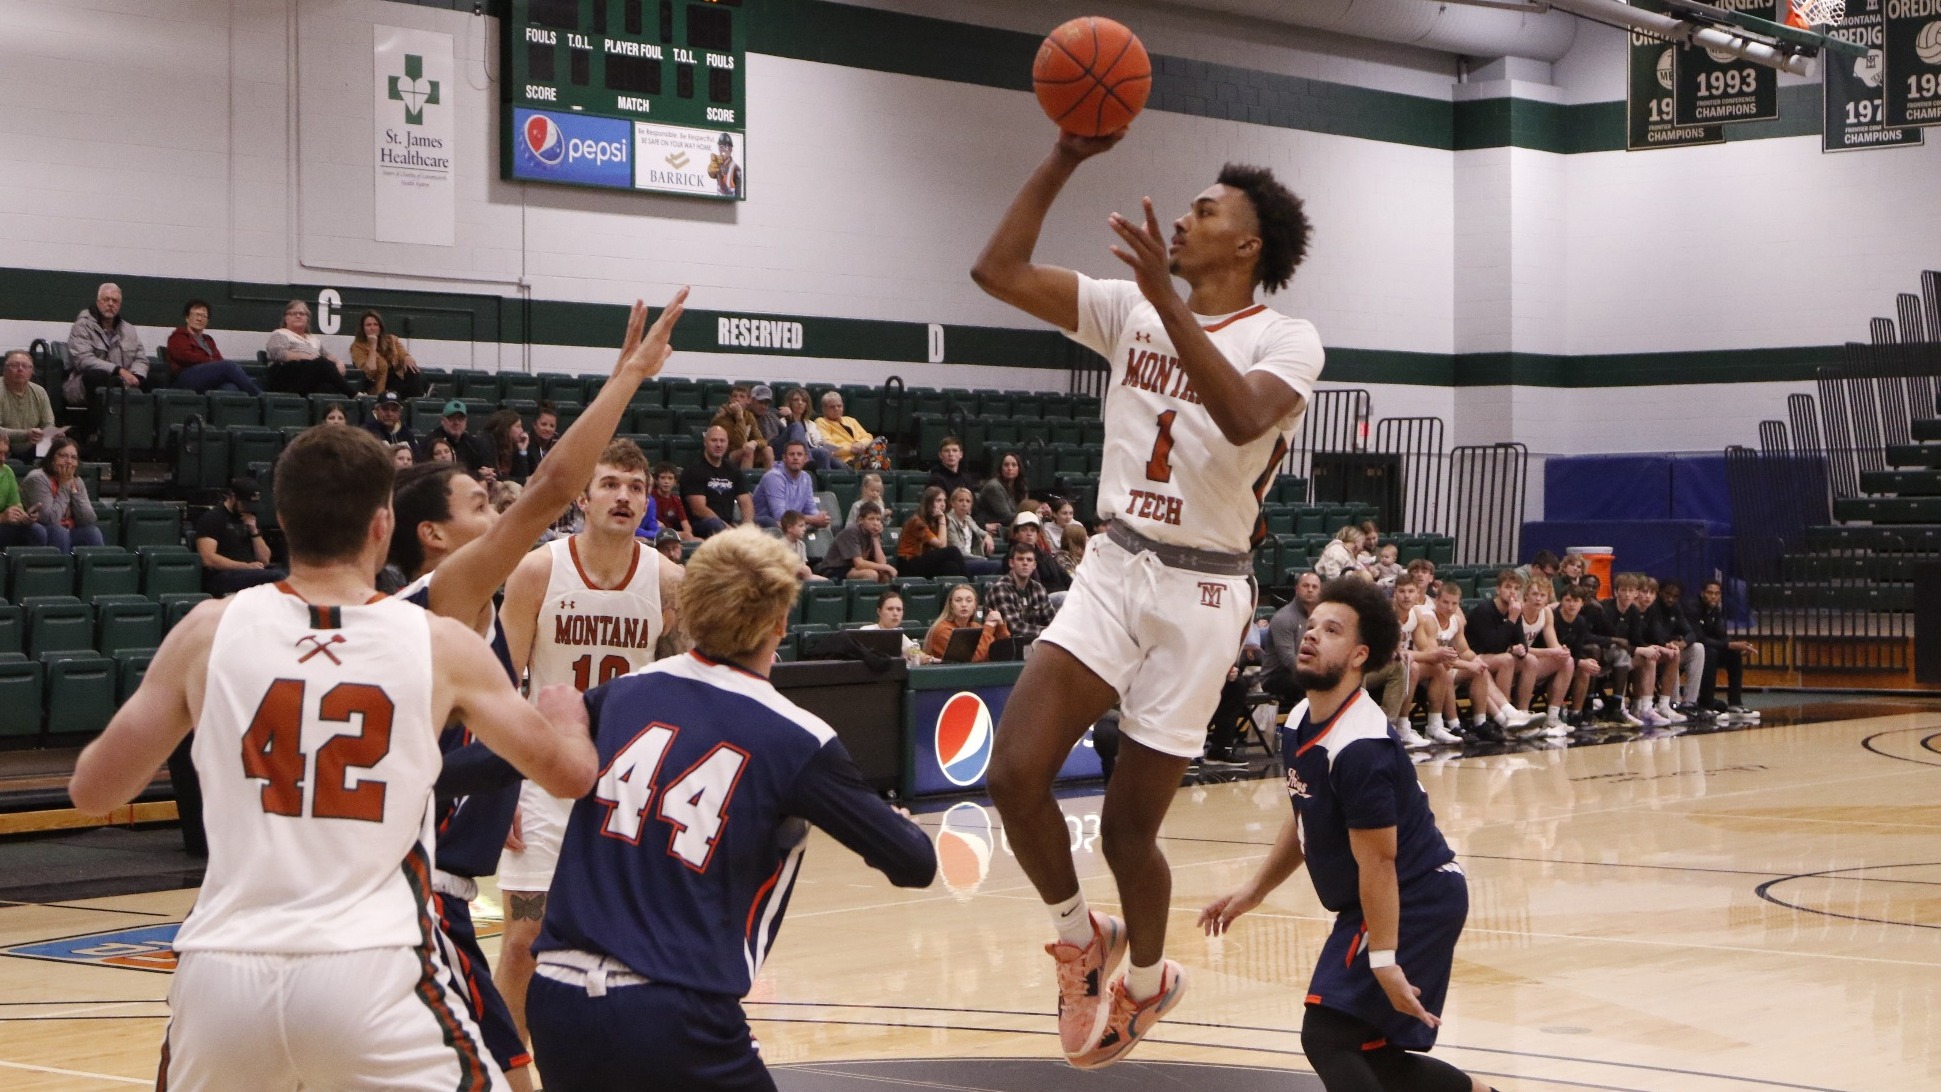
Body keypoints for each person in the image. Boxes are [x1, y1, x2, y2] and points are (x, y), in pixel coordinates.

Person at [69, 426, 598, 1092]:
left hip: (226, 970)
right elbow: (569, 775)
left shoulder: (209, 628)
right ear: (383, 524)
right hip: (372, 964)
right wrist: (567, 720)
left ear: (281, 520)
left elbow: (93, 790)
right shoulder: (435, 641)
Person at [388, 288, 688, 1092]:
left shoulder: (663, 578)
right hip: (455, 851)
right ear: (433, 537)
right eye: (482, 504)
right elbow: (552, 484)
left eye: (635, 485)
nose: (501, 514)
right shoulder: (490, 587)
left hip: (600, 777)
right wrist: (627, 375)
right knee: (515, 971)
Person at [523, 527, 932, 1091]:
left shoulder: (622, 693)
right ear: (781, 622)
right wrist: (901, 829)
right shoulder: (798, 737)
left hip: (557, 999)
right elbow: (915, 864)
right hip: (675, 1012)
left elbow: (495, 762)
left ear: (688, 609)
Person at [1199, 578, 1494, 1092]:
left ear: (1359, 655)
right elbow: (1305, 818)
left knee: (1328, 1036)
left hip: (1415, 894)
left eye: (1331, 630)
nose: (1311, 636)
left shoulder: (1359, 746)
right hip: (1381, 897)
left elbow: (1380, 863)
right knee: (1365, 1052)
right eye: (1311, 626)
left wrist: (1384, 960)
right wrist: (1254, 891)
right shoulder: (1299, 724)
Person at [495, 438, 685, 1049]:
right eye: (609, 484)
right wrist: (497, 792)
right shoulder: (539, 570)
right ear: (582, 497)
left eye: (634, 486)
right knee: (524, 943)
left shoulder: (670, 581)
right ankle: (507, 1076)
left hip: (630, 782)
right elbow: (498, 687)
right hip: (545, 774)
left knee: (631, 943)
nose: (623, 496)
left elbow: (686, 693)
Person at [1414, 580, 1525, 744]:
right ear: (1436, 601)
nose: (1449, 607)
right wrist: (1469, 664)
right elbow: (1435, 656)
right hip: (1427, 668)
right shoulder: (1429, 620)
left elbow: (1465, 651)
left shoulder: (1456, 621)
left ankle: (1481, 723)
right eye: (1445, 602)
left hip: (1446, 665)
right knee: (1446, 671)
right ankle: (1454, 725)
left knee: (1478, 668)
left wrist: (1476, 661)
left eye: (1454, 603)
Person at [66, 283, 150, 443]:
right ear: (98, 302)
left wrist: (137, 375)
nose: (110, 304)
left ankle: (139, 439)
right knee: (97, 377)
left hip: (122, 381)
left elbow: (141, 358)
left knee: (152, 381)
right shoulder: (81, 325)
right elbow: (83, 360)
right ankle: (93, 436)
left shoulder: (129, 329)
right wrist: (118, 371)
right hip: (80, 383)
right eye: (106, 299)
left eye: (115, 301)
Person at [194, 477, 284, 595]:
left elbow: (264, 560)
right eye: (245, 504)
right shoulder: (212, 518)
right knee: (277, 576)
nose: (248, 508)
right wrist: (245, 567)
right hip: (222, 576)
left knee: (289, 574)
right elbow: (208, 559)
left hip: (251, 572)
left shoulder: (250, 519)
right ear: (233, 497)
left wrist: (254, 531)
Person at [1511, 578, 1573, 737]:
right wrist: (1549, 652)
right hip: (1511, 659)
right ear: (1526, 596)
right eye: (1534, 594)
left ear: (1547, 599)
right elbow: (1520, 648)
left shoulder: (1546, 613)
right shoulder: (1517, 611)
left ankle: (1552, 717)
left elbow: (1553, 644)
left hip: (1528, 661)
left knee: (1567, 661)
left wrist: (1562, 650)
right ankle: (1522, 716)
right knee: (1530, 661)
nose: (1538, 598)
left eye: (1543, 595)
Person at [21, 436, 102, 552]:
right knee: (59, 532)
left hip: (69, 530)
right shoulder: (37, 478)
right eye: (63, 456)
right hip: (43, 530)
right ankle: (62, 568)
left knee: (93, 532)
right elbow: (49, 518)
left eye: (74, 458)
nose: (69, 461)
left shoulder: (76, 480)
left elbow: (88, 519)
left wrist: (74, 492)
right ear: (52, 458)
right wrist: (64, 486)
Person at [1690, 580, 1757, 719]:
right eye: (1709, 593)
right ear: (1702, 593)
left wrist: (1737, 645)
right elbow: (1699, 638)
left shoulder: (1716, 610)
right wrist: (1729, 645)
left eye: (1717, 593)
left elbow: (1721, 635)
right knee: (1711, 653)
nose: (1713, 596)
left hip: (1708, 649)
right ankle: (1706, 705)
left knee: (1734, 654)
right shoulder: (1693, 608)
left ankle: (1735, 704)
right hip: (1692, 651)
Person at [164, 300, 263, 394]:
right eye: (196, 315)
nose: (200, 319)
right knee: (228, 366)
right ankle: (260, 397)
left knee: (230, 387)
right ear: (187, 318)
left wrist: (212, 362)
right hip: (185, 377)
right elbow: (185, 357)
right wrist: (210, 360)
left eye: (204, 316)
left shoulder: (208, 340)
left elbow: (218, 359)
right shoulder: (178, 336)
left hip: (206, 377)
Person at [264, 300, 357, 397]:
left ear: (307, 319)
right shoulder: (280, 333)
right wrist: (306, 357)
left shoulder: (313, 339)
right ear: (285, 318)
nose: (298, 316)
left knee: (329, 386)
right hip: (288, 377)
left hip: (309, 380)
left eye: (302, 314)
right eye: (293, 313)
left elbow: (327, 355)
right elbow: (278, 354)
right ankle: (354, 395)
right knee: (322, 363)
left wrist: (338, 362)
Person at [681, 425, 753, 537]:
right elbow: (698, 509)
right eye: (714, 440)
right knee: (715, 524)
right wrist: (726, 527)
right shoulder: (693, 470)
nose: (719, 445)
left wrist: (747, 526)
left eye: (722, 441)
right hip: (702, 525)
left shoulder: (733, 470)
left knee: (766, 522)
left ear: (727, 443)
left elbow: (745, 502)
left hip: (728, 524)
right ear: (705, 442)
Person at [1259, 572, 1321, 701]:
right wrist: (1314, 674)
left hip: (1304, 671)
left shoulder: (1320, 618)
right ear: (1297, 589)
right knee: (1313, 684)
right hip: (1276, 676)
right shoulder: (1284, 618)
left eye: (1315, 587)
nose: (1310, 590)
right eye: (1306, 586)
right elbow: (1288, 659)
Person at [983, 541, 1055, 643]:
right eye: (1020, 559)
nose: (1025, 563)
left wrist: (1054, 631)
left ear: (1034, 565)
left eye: (1029, 560)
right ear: (1011, 563)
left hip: (1032, 645)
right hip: (1004, 648)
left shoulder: (1039, 589)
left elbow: (1052, 622)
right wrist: (1050, 632)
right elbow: (1014, 628)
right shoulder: (1000, 589)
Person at [925, 583, 1011, 662]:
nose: (963, 604)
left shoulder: (975, 627)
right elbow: (972, 659)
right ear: (951, 605)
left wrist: (1000, 625)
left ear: (975, 605)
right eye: (958, 600)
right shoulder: (942, 630)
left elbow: (1005, 652)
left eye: (969, 600)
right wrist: (988, 627)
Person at [349, 310, 428, 398]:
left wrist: (407, 357)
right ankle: (423, 395)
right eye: (368, 325)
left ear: (380, 327)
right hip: (378, 385)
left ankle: (420, 398)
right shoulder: (357, 347)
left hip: (397, 380)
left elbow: (403, 353)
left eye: (375, 324)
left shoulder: (391, 339)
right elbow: (369, 372)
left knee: (412, 370)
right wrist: (372, 346)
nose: (372, 328)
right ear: (363, 328)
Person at [897, 485, 971, 579]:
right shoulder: (917, 522)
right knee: (953, 551)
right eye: (938, 500)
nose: (943, 504)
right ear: (928, 503)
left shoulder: (935, 521)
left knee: (951, 567)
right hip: (909, 564)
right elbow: (941, 545)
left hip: (924, 562)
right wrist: (942, 519)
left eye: (944, 500)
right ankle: (969, 584)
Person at [753, 439, 829, 529]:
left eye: (799, 454)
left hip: (792, 525)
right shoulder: (773, 477)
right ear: (784, 458)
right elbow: (781, 516)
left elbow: (810, 509)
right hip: (767, 527)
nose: (795, 457)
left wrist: (820, 518)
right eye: (791, 454)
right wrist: (813, 519)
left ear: (806, 459)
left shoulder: (806, 478)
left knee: (824, 524)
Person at [818, 500, 896, 583]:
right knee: (871, 574)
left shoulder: (872, 533)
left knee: (885, 575)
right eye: (871, 519)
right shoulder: (852, 531)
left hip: (852, 568)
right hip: (835, 570)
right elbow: (859, 564)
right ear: (860, 520)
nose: (875, 523)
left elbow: (881, 562)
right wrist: (887, 567)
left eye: (878, 519)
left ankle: (881, 596)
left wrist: (875, 538)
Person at [1, 349, 56, 462]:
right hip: (4, 445)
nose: (20, 369)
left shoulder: (40, 391)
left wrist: (50, 433)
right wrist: (25, 434)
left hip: (33, 446)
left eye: (26, 366)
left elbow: (49, 424)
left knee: (60, 446)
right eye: (15, 365)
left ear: (32, 371)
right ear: (4, 370)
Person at [859, 587, 932, 665]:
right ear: (879, 611)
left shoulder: (900, 635)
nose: (895, 613)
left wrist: (928, 658)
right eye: (890, 609)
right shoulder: (866, 631)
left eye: (899, 609)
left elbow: (916, 653)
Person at [710, 382, 772, 470]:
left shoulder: (749, 416)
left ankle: (769, 481)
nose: (737, 399)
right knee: (748, 451)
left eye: (742, 396)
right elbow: (739, 443)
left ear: (748, 400)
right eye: (734, 396)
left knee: (768, 450)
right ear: (730, 399)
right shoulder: (722, 417)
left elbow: (762, 440)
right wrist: (739, 416)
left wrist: (754, 443)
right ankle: (745, 482)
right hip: (727, 455)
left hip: (743, 450)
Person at [428, 401, 496, 479]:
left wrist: (487, 472)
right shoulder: (432, 441)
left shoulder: (471, 442)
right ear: (443, 421)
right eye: (452, 418)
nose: (456, 422)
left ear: (465, 421)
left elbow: (484, 465)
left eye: (460, 419)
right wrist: (477, 474)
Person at [944, 486, 1002, 576]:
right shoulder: (949, 521)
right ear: (953, 503)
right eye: (961, 500)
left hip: (972, 559)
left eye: (968, 501)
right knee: (998, 565)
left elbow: (979, 531)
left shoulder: (968, 518)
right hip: (960, 562)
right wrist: (980, 559)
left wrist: (987, 536)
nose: (964, 504)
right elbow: (958, 551)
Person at [810, 390, 876, 468]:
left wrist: (859, 443)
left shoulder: (850, 420)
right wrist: (851, 448)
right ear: (824, 409)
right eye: (832, 407)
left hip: (863, 456)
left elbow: (868, 437)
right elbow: (829, 447)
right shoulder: (821, 422)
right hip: (845, 461)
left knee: (881, 440)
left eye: (839, 406)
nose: (836, 409)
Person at [975, 451, 1028, 536]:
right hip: (995, 529)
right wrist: (1032, 514)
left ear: (1019, 468)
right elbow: (1006, 516)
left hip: (1013, 527)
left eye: (1014, 465)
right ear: (1000, 469)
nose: (1010, 468)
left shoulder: (1021, 486)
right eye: (1006, 465)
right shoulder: (994, 487)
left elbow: (1025, 508)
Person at [0, 461, 47, 548]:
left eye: (5, 453)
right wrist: (2, 518)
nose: (2, 459)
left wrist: (24, 517)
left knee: (37, 531)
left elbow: (16, 506)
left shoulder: (7, 471)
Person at [487, 409, 538, 485]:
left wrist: (522, 451)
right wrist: (523, 480)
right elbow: (495, 477)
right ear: (505, 428)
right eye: (518, 426)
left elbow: (522, 479)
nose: (522, 430)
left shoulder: (514, 447)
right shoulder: (488, 443)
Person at [648, 461, 696, 541]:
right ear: (656, 480)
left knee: (699, 541)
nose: (666, 482)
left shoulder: (676, 500)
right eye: (663, 478)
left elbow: (687, 527)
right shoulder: (650, 497)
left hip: (671, 535)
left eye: (670, 478)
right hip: (652, 533)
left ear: (675, 482)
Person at [778, 510, 823, 582]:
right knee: (806, 570)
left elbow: (803, 564)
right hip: (786, 577)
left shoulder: (801, 545)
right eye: (801, 526)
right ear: (790, 528)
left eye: (804, 526)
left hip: (801, 576)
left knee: (826, 581)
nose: (804, 529)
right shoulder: (780, 545)